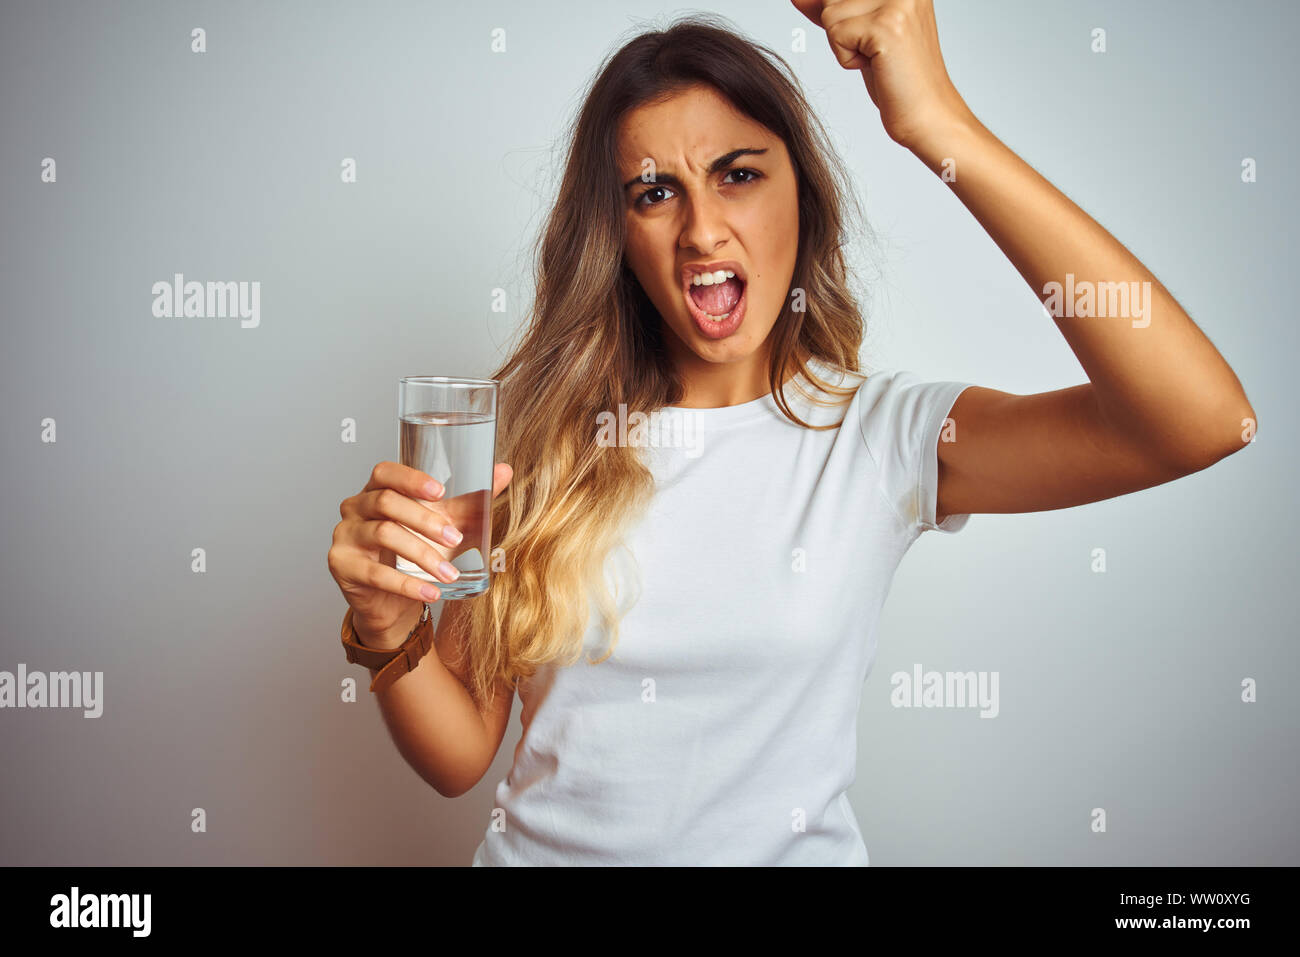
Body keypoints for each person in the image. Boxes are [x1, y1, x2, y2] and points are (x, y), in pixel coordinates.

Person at [327, 5, 1255, 866]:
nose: (702, 229)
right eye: (653, 192)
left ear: (800, 195)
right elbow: (460, 757)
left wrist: (938, 122)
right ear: (616, 232)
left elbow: (1201, 423)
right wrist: (387, 626)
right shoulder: (545, 438)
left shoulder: (881, 435)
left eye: (739, 174)